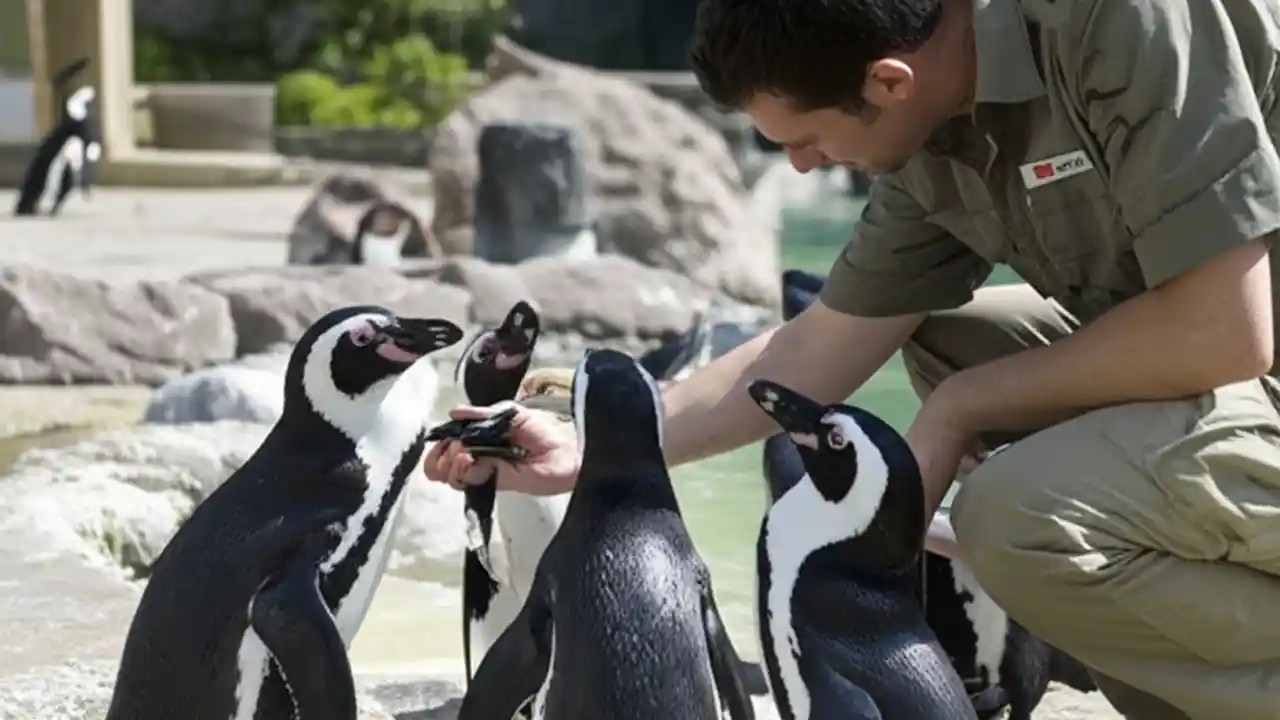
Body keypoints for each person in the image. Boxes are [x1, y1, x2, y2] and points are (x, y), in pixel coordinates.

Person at [425, 0, 1280, 717]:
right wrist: (603, 446)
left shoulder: (1121, 20)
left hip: (1247, 348)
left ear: (886, 80)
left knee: (1017, 516)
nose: (800, 166)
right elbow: (820, 344)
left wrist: (960, 408)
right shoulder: (937, 117)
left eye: (806, 139)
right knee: (953, 336)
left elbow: (1224, 332)